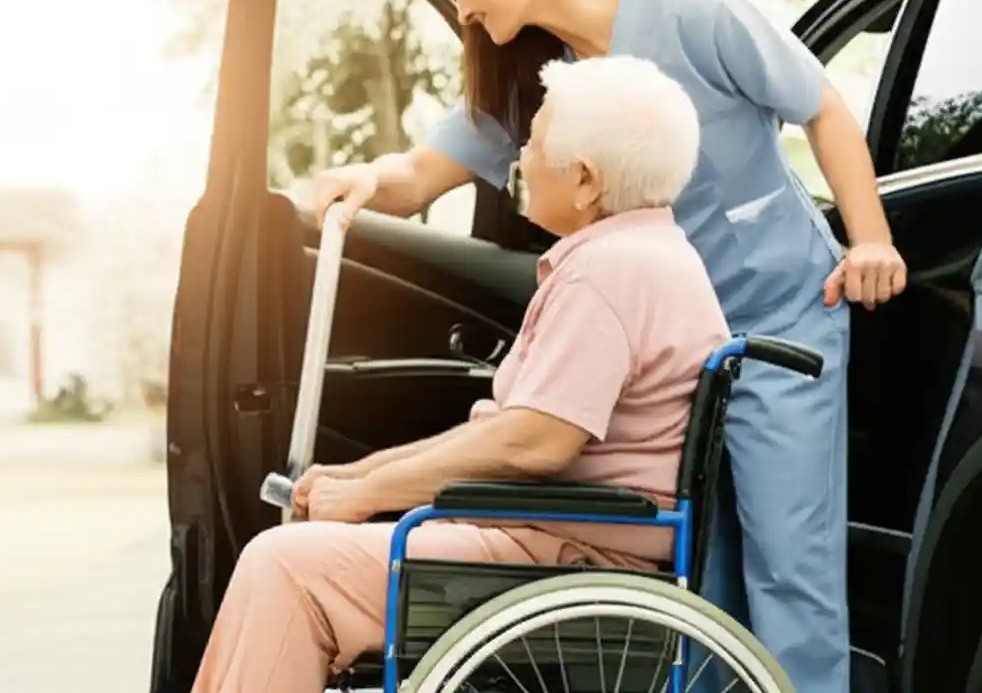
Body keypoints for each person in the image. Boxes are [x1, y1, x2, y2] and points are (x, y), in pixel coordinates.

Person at [307, 0, 910, 690]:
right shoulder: (536, 73)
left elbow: (822, 106)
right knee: (701, 582)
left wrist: (871, 240)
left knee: (788, 567)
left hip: (779, 319)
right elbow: (417, 175)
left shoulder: (690, 8)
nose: (461, 7)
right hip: (670, 351)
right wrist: (365, 181)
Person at [191, 56, 728, 692]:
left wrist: (371, 494)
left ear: (585, 180)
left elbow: (535, 444)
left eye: (535, 142)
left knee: (283, 565)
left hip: (563, 562)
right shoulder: (650, 254)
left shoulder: (606, 273)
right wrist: (360, 475)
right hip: (558, 546)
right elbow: (507, 432)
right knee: (295, 558)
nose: (521, 158)